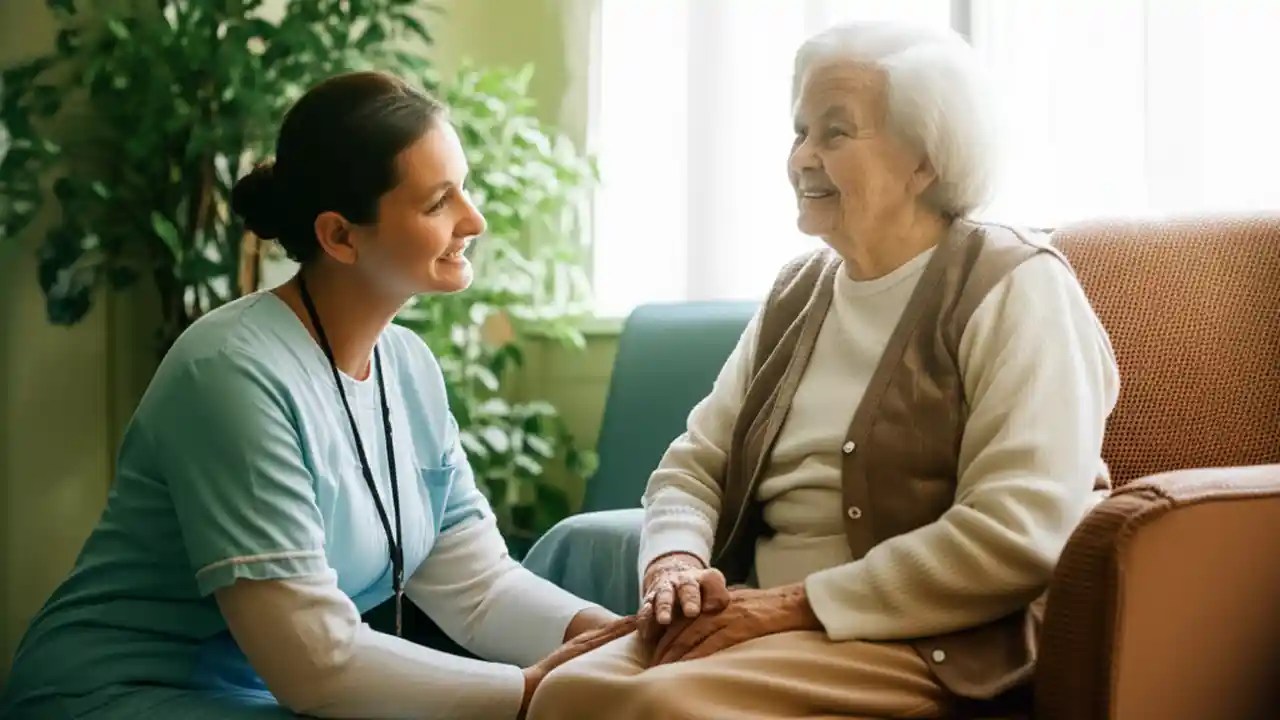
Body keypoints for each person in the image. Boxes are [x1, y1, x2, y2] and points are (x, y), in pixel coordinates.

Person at [524, 21, 1120, 719]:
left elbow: (1019, 529)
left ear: (923, 160)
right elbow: (694, 466)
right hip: (765, 622)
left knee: (657, 709)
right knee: (556, 691)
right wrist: (674, 564)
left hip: (931, 643)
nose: (802, 156)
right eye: (798, 130)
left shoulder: (1014, 286)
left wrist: (791, 606)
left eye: (835, 134)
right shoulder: (799, 292)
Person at [0, 71, 631, 720]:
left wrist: (626, 643)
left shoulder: (410, 368)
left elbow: (478, 588)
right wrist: (532, 694)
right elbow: (316, 664)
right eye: (439, 202)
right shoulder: (230, 373)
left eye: (463, 189)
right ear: (339, 236)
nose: (475, 219)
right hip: (113, 697)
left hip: (268, 697)